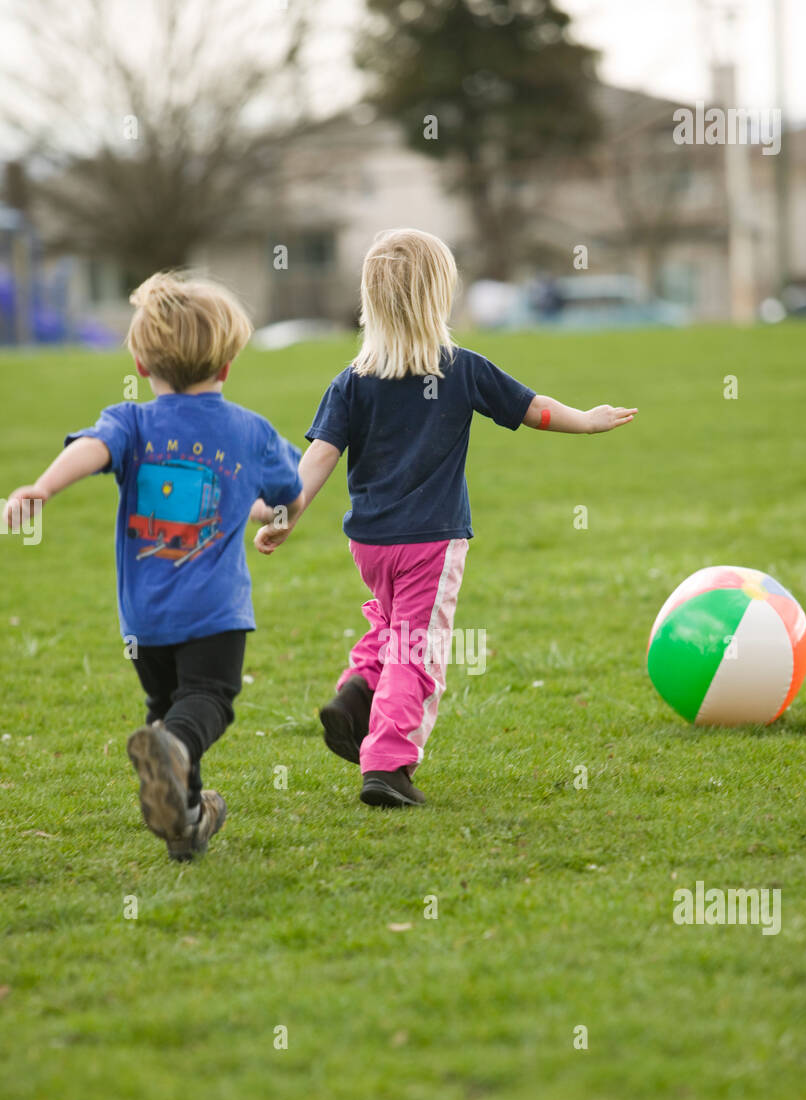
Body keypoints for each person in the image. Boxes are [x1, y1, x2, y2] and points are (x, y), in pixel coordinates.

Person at [254, 228, 637, 808]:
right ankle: (387, 764)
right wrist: (585, 420)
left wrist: (286, 513)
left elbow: (317, 460)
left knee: (390, 628)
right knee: (417, 650)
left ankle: (357, 693)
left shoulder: (351, 382)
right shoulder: (461, 369)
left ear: (371, 302)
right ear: (440, 297)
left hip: (371, 546)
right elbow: (532, 410)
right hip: (431, 543)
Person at [3, 271, 304, 858]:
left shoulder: (131, 421)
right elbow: (288, 494)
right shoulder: (249, 431)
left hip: (144, 621)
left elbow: (90, 449)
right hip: (214, 613)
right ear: (227, 365)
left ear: (142, 366)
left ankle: (186, 824)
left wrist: (42, 489)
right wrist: (275, 514)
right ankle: (176, 752)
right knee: (209, 702)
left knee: (166, 711)